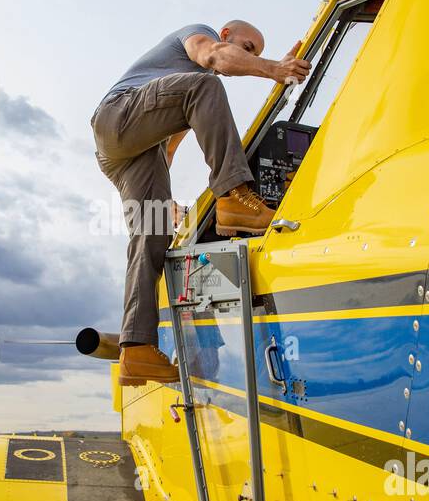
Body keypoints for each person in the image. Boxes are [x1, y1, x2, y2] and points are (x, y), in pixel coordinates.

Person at [91, 20, 311, 386]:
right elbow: (214, 57)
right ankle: (233, 196)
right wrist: (274, 69)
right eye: (248, 47)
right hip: (118, 115)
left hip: (134, 151)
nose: (249, 55)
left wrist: (168, 201)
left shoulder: (179, 97)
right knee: (207, 85)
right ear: (225, 35)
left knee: (153, 236)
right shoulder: (197, 40)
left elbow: (170, 149)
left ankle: (137, 349)